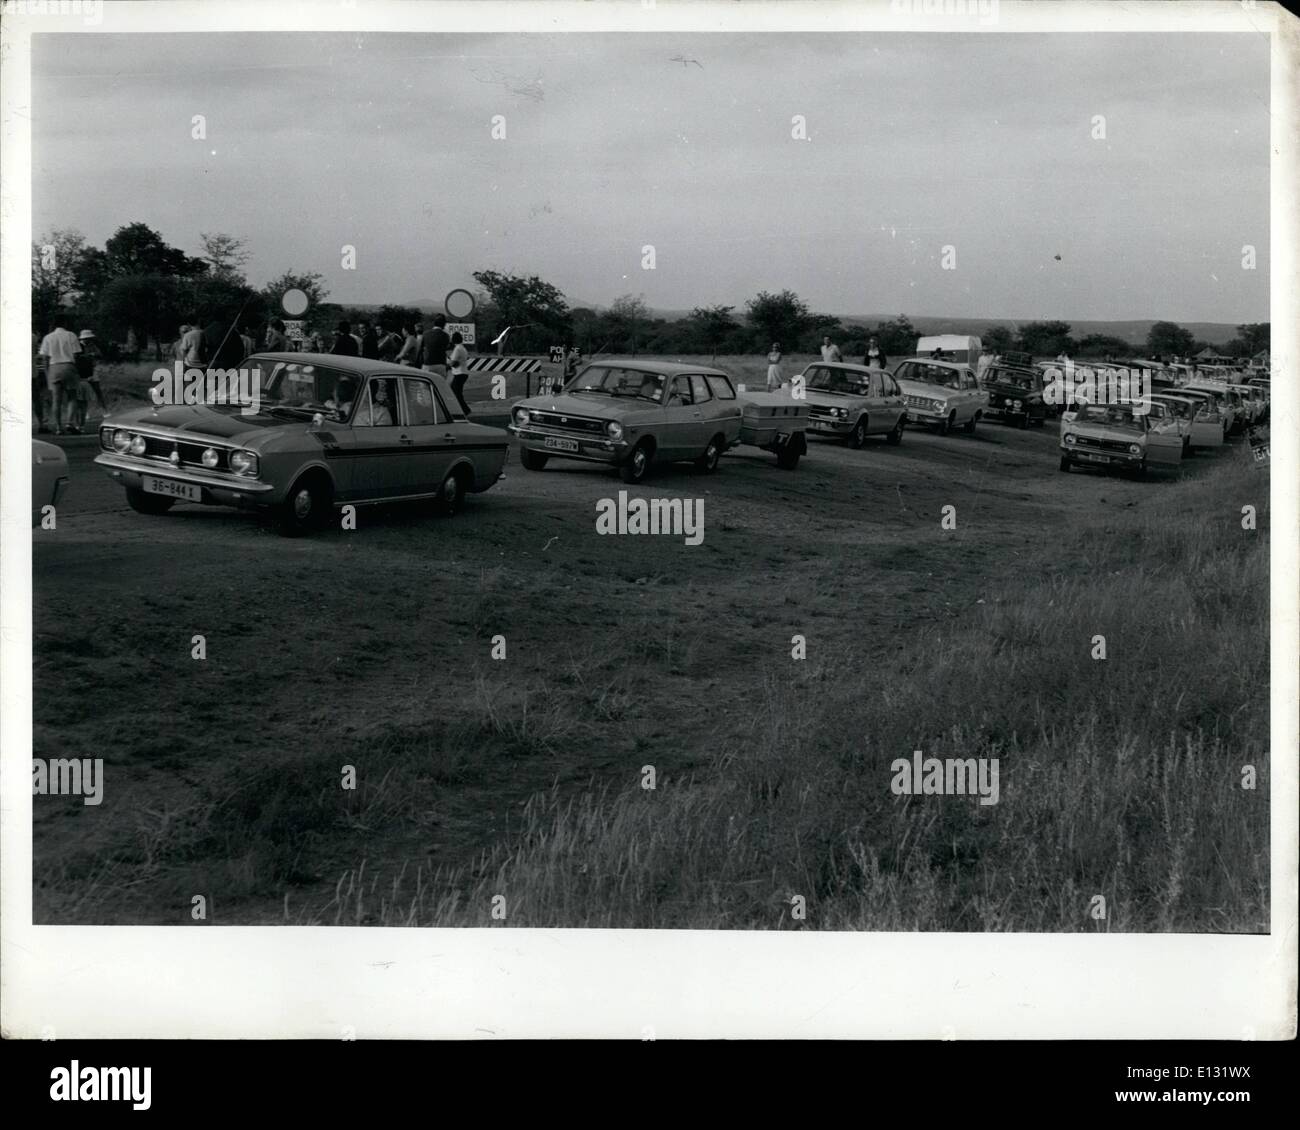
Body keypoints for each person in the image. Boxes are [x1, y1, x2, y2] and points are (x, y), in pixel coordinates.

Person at [39, 315, 81, 435]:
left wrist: (47, 375)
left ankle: (58, 427)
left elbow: (44, 358)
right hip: (68, 365)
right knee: (72, 397)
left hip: (54, 366)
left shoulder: (48, 337)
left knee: (56, 399)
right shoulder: (71, 335)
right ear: (65, 323)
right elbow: (76, 354)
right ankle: (69, 422)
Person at [77, 329, 110, 419]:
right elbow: (77, 358)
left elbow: (99, 355)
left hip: (92, 369)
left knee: (97, 391)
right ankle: (86, 412)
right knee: (84, 393)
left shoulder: (92, 346)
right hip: (82, 372)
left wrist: (93, 355)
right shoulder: (78, 346)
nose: (89, 340)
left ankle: (105, 411)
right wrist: (87, 356)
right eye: (88, 338)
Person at [448, 331, 472, 415]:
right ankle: (463, 409)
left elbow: (452, 363)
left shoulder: (457, 349)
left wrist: (448, 364)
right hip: (463, 372)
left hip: (459, 373)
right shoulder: (463, 348)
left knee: (455, 392)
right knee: (458, 393)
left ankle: (464, 410)